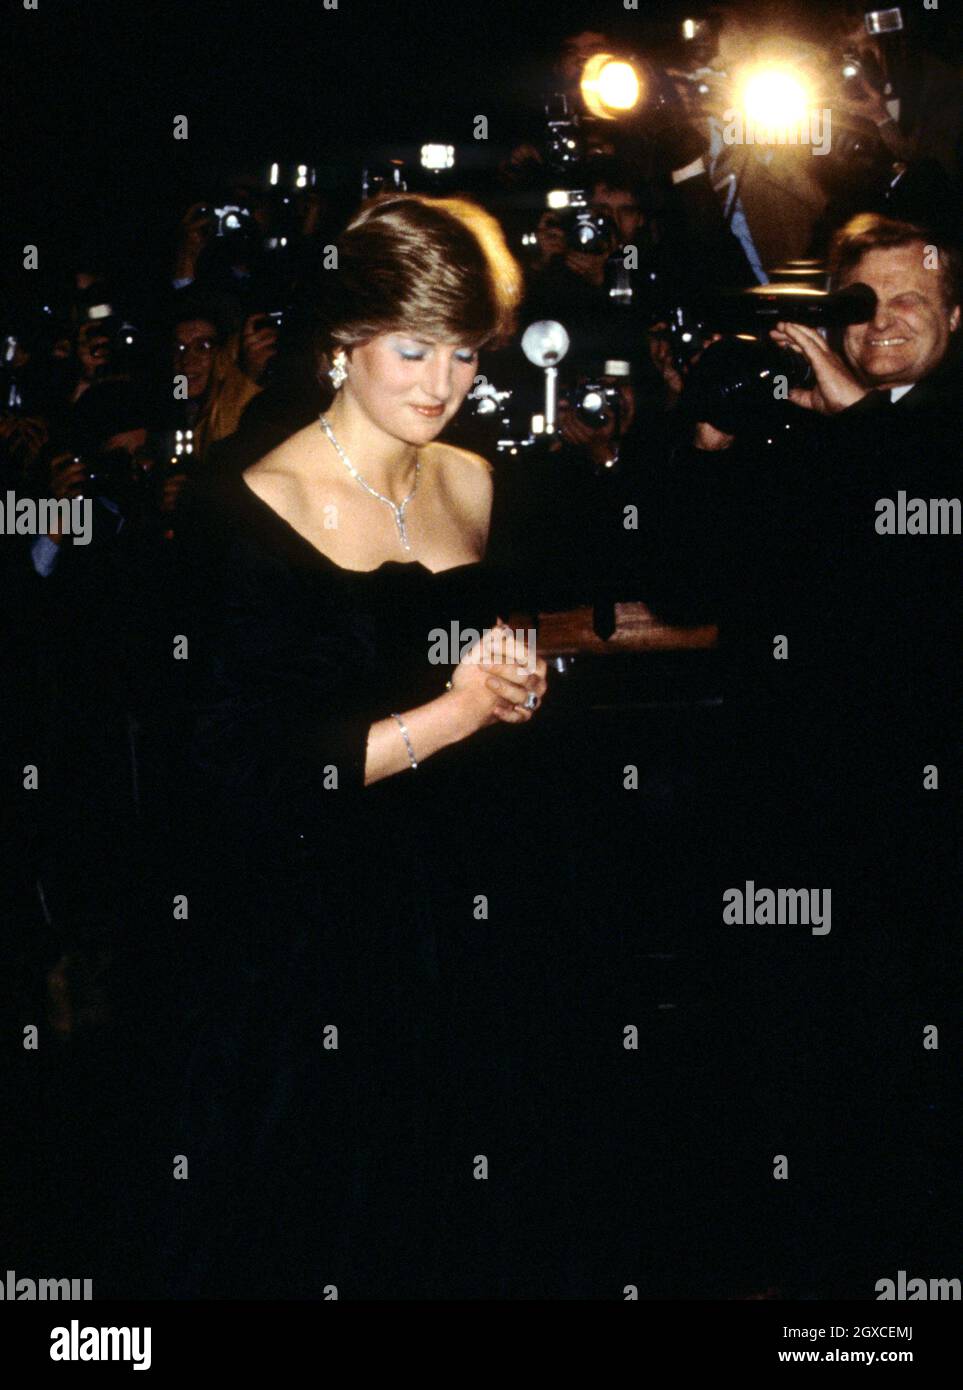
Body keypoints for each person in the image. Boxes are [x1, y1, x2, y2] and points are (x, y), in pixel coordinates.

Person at [158, 192, 558, 1299]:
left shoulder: (478, 481)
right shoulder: (251, 507)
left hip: (476, 914)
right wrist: (456, 714)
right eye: (412, 348)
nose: (439, 384)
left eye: (465, 357)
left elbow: (497, 666)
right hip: (319, 939)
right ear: (345, 340)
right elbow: (239, 775)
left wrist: (516, 687)